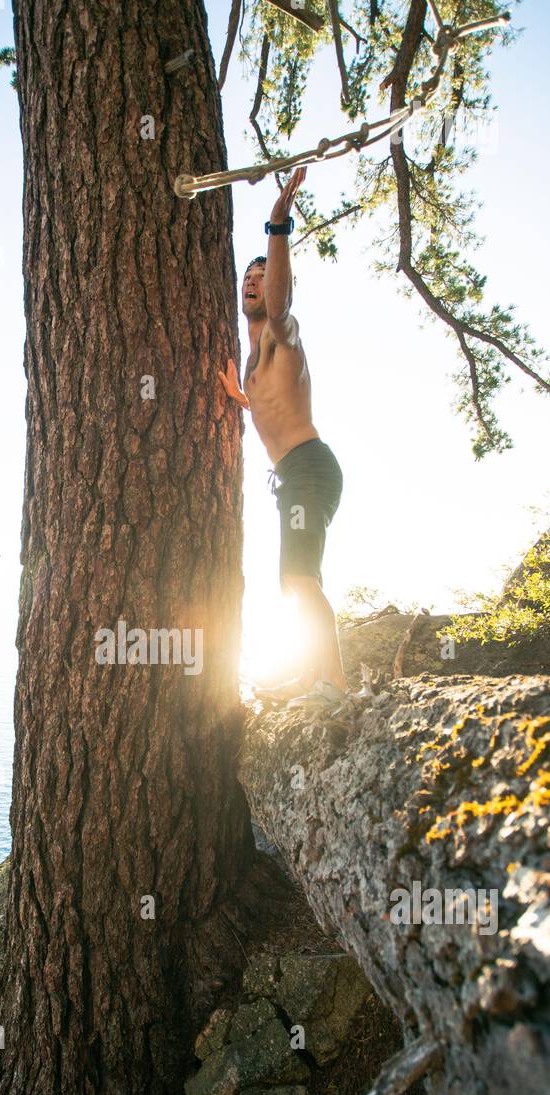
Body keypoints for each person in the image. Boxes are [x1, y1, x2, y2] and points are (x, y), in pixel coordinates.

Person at [219, 168, 348, 708]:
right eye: (246, 279)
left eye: (260, 276)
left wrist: (277, 228)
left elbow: (280, 303)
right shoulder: (252, 365)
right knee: (291, 579)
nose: (252, 283)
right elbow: (270, 403)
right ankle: (307, 674)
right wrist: (240, 397)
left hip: (309, 466)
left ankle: (335, 686)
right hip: (294, 474)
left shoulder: (280, 332)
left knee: (300, 576)